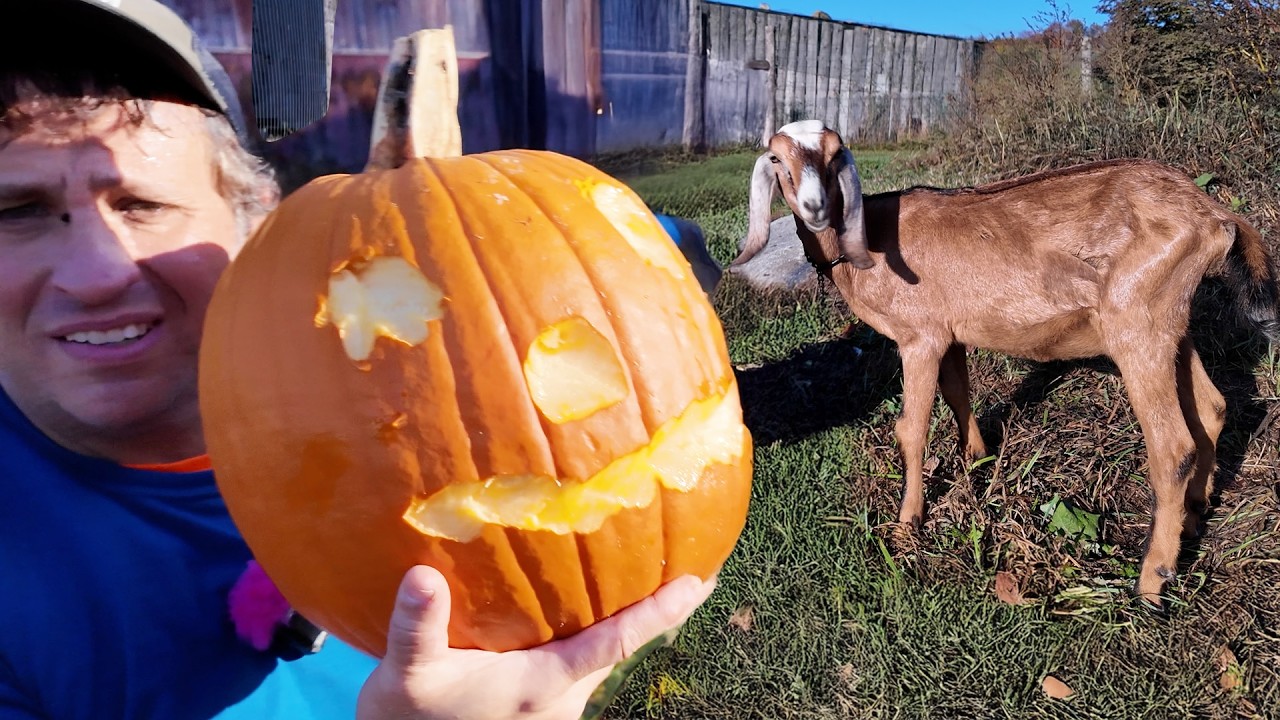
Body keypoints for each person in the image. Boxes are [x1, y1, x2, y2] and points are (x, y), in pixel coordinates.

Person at [0, 1, 716, 718]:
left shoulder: (398, 378)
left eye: (141, 204)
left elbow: (547, 267)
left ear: (253, 219)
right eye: (16, 211)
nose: (93, 274)